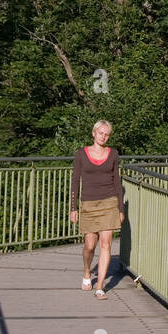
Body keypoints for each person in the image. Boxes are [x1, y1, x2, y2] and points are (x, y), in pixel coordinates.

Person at [70, 119, 125, 298]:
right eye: (101, 133)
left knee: (106, 243)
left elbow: (117, 182)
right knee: (90, 244)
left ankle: (100, 286)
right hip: (88, 203)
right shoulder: (81, 154)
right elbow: (75, 181)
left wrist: (120, 208)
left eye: (107, 134)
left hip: (109, 202)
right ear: (94, 133)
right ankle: (87, 272)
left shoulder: (113, 154)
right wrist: (73, 207)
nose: (103, 136)